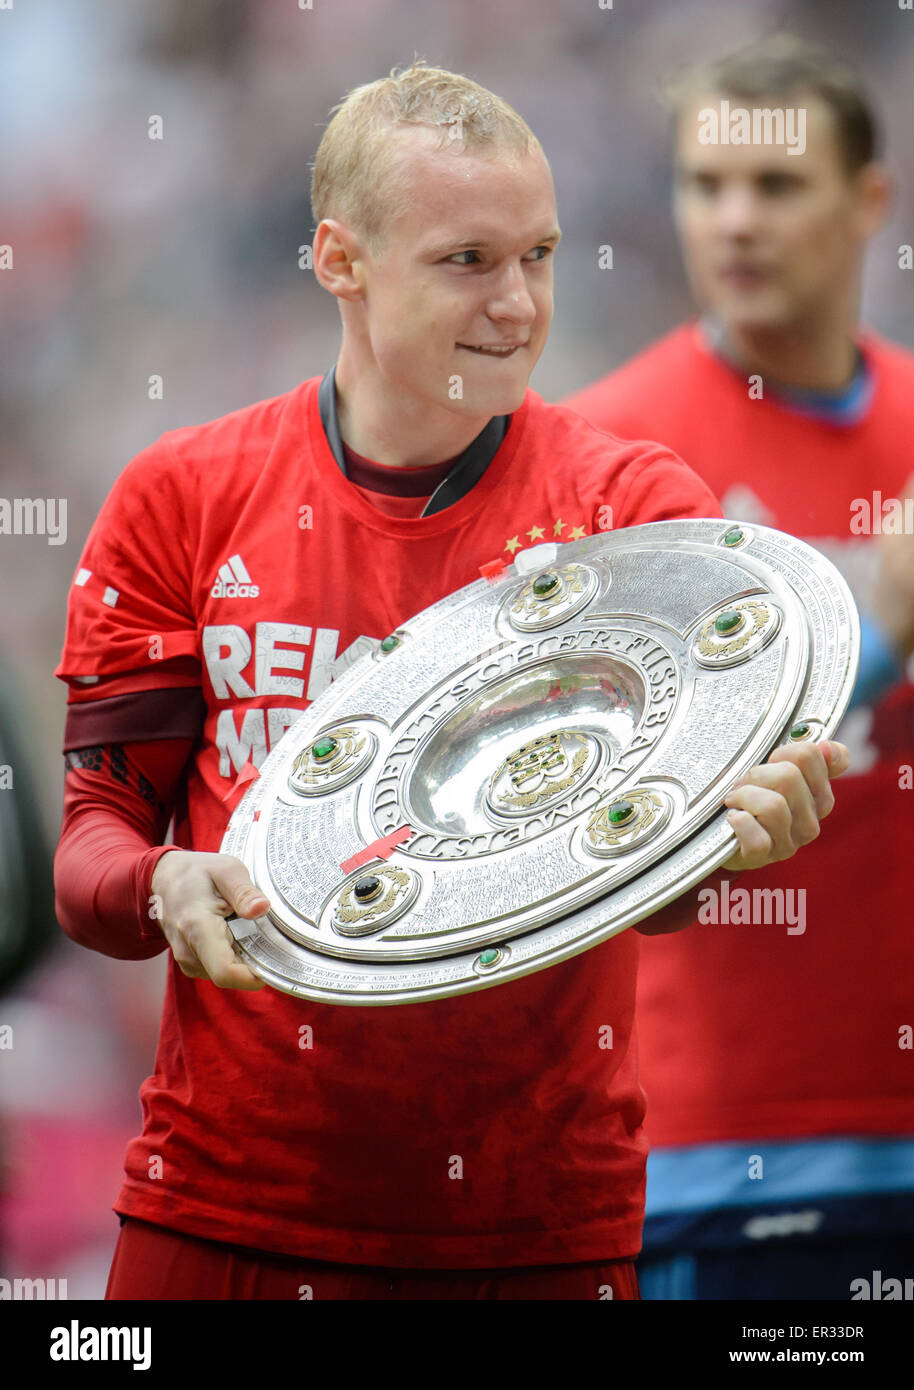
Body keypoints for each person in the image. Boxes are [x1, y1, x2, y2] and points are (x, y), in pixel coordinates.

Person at [54, 60, 849, 1302]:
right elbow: (88, 851)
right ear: (339, 260)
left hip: (539, 1227)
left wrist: (723, 845)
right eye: (466, 261)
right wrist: (161, 883)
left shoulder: (633, 517)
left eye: (537, 254)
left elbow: (644, 895)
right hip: (224, 1204)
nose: (518, 304)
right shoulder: (183, 495)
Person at [565, 34, 914, 1300]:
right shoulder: (607, 453)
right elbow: (601, 790)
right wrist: (880, 626)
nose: (732, 220)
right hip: (708, 1145)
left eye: (774, 186)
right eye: (703, 184)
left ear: (868, 201)